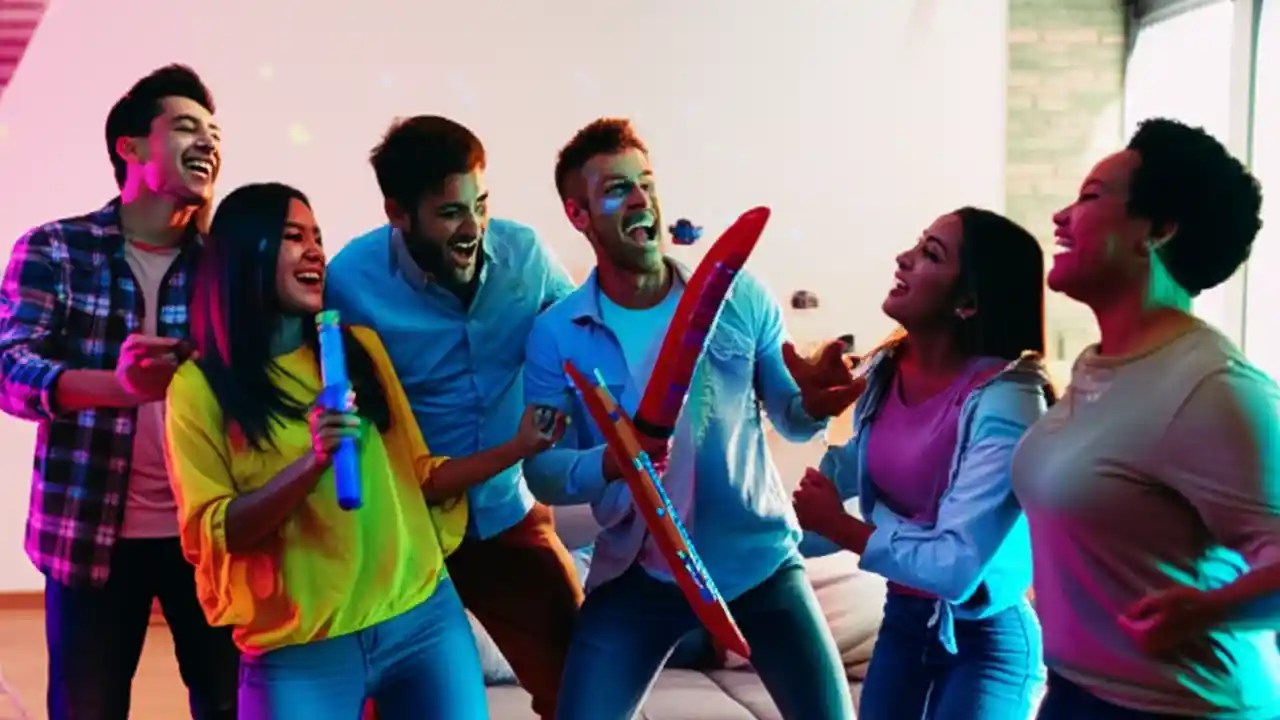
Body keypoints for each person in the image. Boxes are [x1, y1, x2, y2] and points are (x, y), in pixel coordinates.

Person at [164, 181, 563, 719]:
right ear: (242, 255)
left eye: (317, 237)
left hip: (422, 618)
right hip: (299, 647)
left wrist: (516, 446)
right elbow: (215, 531)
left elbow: (420, 476)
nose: (315, 251)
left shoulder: (359, 350)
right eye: (291, 237)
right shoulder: (199, 388)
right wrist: (312, 463)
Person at [522, 117, 860, 720]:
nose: (640, 199)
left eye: (646, 183)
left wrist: (813, 403)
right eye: (616, 190)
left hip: (758, 564)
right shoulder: (557, 333)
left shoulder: (739, 295)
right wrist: (609, 461)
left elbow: (792, 419)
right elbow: (543, 471)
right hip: (638, 572)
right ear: (579, 215)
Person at [1011, 117, 1280, 719]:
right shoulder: (1098, 367)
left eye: (1088, 198)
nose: (1060, 217)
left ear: (1157, 230)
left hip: (1180, 706)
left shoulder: (1214, 389)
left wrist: (1212, 608)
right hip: (1073, 692)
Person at [0, 64, 238, 720]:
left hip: (210, 533)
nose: (208, 143)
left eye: (215, 133)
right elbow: (10, 371)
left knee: (230, 704)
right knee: (87, 707)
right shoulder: (57, 247)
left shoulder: (227, 262)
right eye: (187, 126)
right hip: (85, 533)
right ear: (128, 147)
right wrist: (118, 386)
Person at [324, 115, 582, 719]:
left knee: (581, 686)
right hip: (402, 528)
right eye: (450, 214)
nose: (474, 229)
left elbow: (583, 337)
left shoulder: (525, 254)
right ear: (398, 212)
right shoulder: (349, 280)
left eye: (481, 204)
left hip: (505, 510)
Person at [792, 207, 1052, 719]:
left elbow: (953, 567)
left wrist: (840, 527)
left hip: (986, 640)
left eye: (931, 253)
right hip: (904, 622)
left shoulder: (1008, 401)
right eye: (917, 243)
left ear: (969, 302)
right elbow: (819, 507)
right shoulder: (885, 373)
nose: (903, 259)